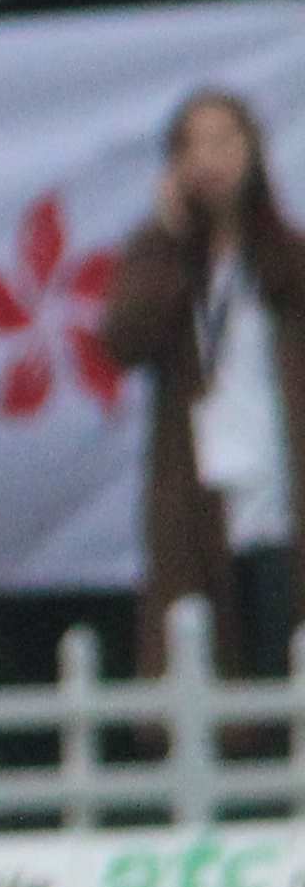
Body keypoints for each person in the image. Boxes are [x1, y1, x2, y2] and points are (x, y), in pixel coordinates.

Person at [98, 84, 305, 696]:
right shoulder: (162, 255)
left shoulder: (283, 256)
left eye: (224, 141)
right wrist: (165, 234)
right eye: (192, 145)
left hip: (279, 480)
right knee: (209, 666)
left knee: (280, 649)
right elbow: (121, 340)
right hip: (199, 491)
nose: (209, 159)